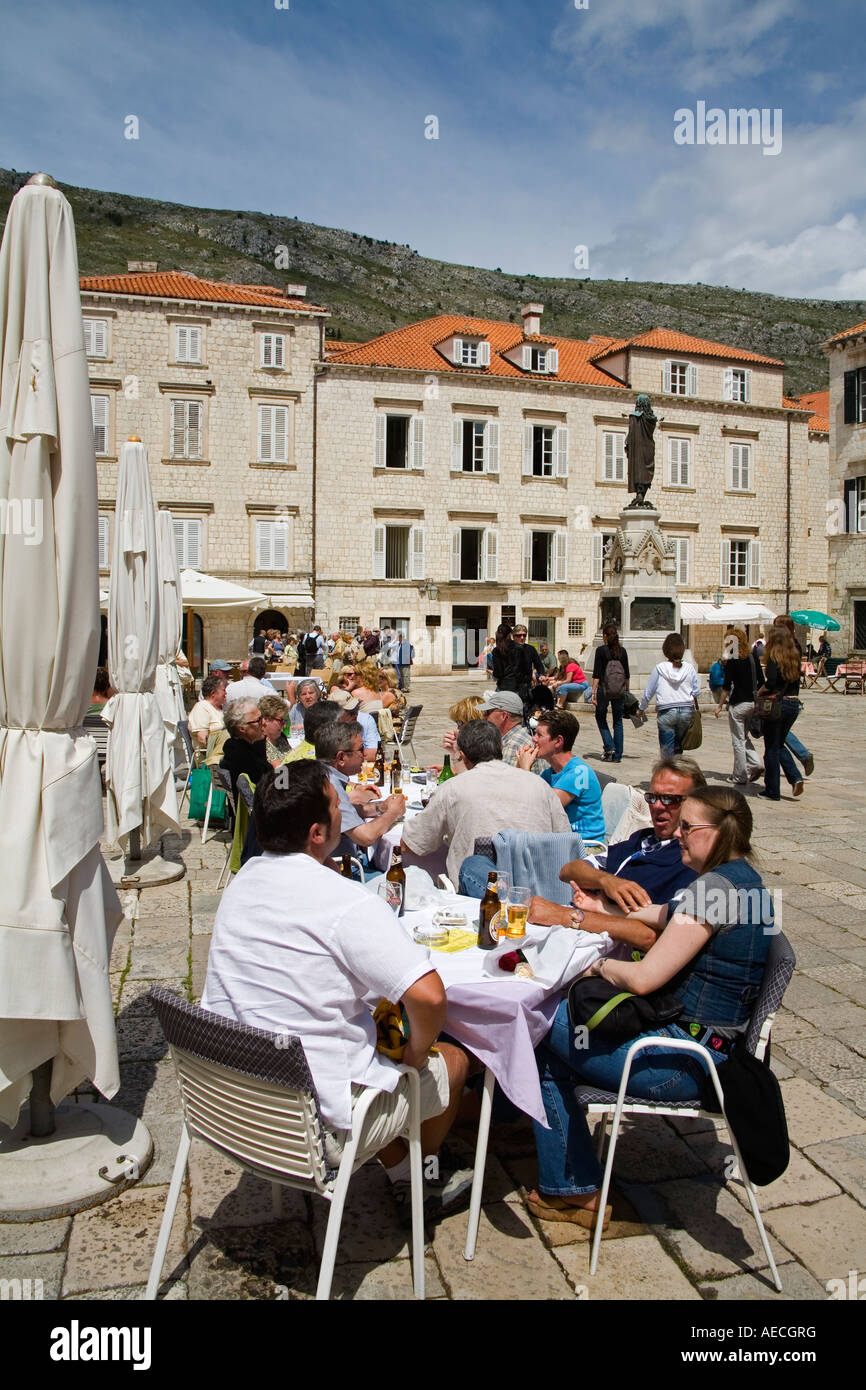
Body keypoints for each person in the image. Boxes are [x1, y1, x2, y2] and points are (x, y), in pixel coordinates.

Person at [201, 761, 473, 1222]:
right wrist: (415, 1052)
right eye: (337, 805)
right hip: (308, 1125)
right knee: (450, 1061)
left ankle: (400, 1162)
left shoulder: (244, 882)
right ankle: (416, 1181)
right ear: (317, 832)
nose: (343, 811)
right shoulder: (344, 900)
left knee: (371, 1043)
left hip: (233, 1099)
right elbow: (428, 997)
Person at [526, 785, 773, 1227]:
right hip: (718, 1052)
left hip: (682, 1064)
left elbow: (641, 979)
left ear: (717, 834)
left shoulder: (712, 889)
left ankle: (570, 1190)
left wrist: (597, 970)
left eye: (687, 827)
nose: (677, 834)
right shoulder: (744, 882)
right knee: (562, 1034)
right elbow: (665, 914)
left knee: (540, 1025)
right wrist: (604, 906)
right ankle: (568, 1172)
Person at [527, 755, 705, 929]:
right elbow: (569, 870)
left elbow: (650, 934)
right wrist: (607, 881)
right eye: (652, 798)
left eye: (669, 799)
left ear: (695, 803)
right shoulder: (643, 840)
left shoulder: (689, 858)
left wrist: (568, 916)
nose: (657, 806)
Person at [401, 720, 570, 892]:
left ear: (463, 756)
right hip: (539, 888)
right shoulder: (539, 785)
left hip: (479, 893)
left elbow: (412, 844)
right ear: (501, 746)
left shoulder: (452, 789)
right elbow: (564, 840)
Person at [315, 720, 406, 860]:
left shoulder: (320, 773)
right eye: (361, 749)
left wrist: (380, 807)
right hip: (347, 868)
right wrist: (393, 813)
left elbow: (346, 812)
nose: (365, 755)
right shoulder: (331, 785)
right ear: (341, 758)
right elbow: (365, 837)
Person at [517, 709, 605, 843]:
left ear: (558, 741)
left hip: (584, 846)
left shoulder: (579, 773)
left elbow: (542, 808)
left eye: (539, 735)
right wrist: (518, 769)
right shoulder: (549, 773)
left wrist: (524, 770)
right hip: (559, 841)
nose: (533, 739)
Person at [758, 627, 803, 801]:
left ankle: (772, 791)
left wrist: (759, 692)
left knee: (771, 748)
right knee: (779, 743)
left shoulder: (774, 658)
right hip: (793, 704)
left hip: (777, 704)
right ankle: (795, 777)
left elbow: (771, 682)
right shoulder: (794, 658)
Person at [714, 628, 764, 785]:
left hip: (738, 704)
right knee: (744, 737)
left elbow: (726, 686)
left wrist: (720, 705)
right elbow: (762, 681)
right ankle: (755, 764)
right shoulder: (752, 657)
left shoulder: (733, 660)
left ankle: (740, 776)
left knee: (738, 740)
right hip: (752, 703)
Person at [638, 633, 700, 756]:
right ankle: (678, 770)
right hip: (686, 711)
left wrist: (641, 708)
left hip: (666, 711)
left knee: (667, 751)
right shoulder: (689, 668)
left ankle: (668, 771)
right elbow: (696, 691)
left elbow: (648, 692)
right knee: (678, 747)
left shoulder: (660, 668)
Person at [773, 615, 814, 784]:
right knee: (780, 735)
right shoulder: (796, 645)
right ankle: (803, 756)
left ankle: (794, 776)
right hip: (794, 697)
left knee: (775, 740)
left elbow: (774, 678)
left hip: (780, 698)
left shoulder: (781, 648)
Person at [592, 622, 629, 762]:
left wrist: (593, 692)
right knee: (618, 721)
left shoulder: (601, 651)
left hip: (604, 689)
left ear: (605, 636)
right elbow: (627, 674)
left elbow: (597, 673)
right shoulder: (622, 651)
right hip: (619, 691)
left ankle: (609, 747)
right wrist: (627, 691)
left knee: (600, 717)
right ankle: (618, 754)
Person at [220, 697, 273, 791]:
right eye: (258, 720)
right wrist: (281, 769)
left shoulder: (248, 746)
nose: (264, 722)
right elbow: (270, 790)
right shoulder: (240, 755)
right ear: (242, 728)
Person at [477, 691, 533, 767]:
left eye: (488, 712)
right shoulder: (519, 736)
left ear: (503, 716)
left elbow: (502, 778)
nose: (484, 717)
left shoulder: (513, 744)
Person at [491, 622, 536, 713]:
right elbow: (526, 668)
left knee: (501, 713)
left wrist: (492, 672)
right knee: (519, 715)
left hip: (503, 687)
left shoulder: (496, 650)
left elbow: (498, 673)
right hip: (518, 688)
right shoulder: (519, 648)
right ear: (509, 635)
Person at [328, 687, 381, 760]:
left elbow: (373, 754)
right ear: (335, 714)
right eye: (351, 712)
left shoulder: (366, 719)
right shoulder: (326, 727)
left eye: (356, 708)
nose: (356, 714)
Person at [188, 672, 227, 750]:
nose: (226, 693)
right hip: (210, 755)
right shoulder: (201, 707)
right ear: (213, 693)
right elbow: (202, 739)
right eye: (223, 690)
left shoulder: (222, 708)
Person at [259, 695, 290, 764]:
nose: (284, 726)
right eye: (281, 720)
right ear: (265, 719)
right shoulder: (262, 745)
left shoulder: (281, 738)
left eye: (285, 721)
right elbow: (280, 771)